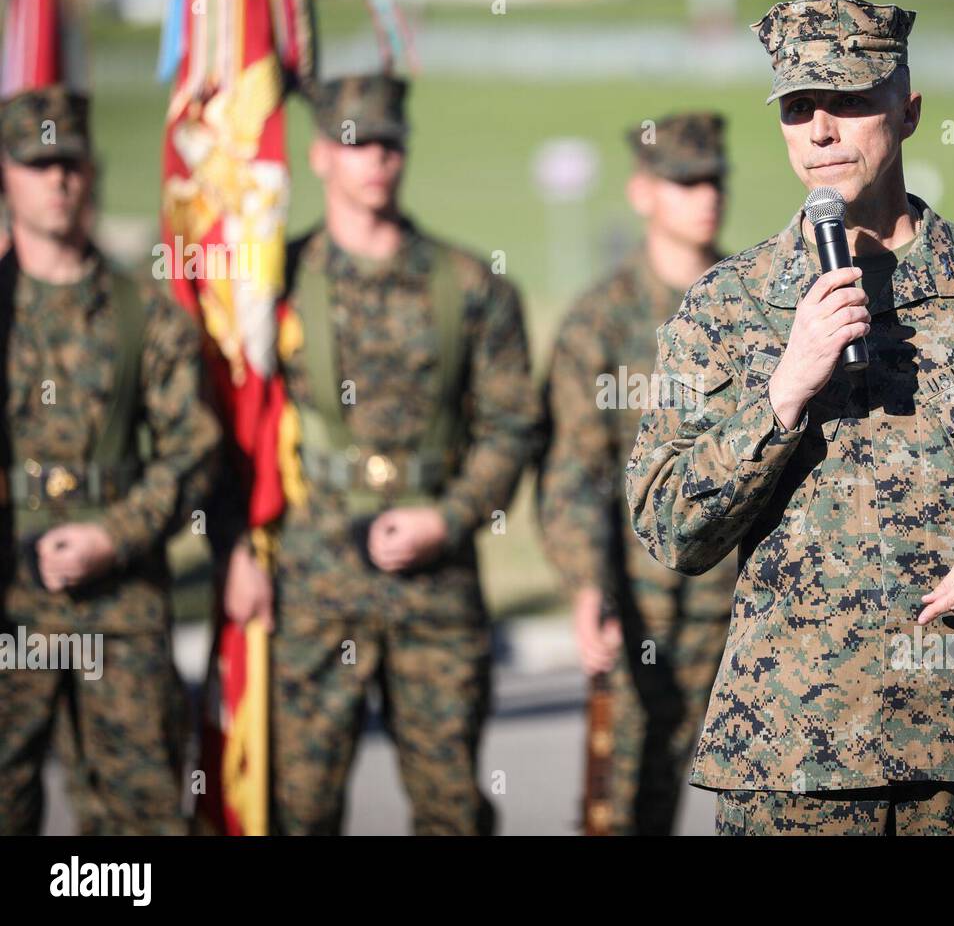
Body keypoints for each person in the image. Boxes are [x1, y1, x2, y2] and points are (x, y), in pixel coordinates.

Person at [626, 0, 954, 836]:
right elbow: (670, 524)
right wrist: (781, 393)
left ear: (908, 111)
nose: (821, 129)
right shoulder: (725, 309)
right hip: (792, 765)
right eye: (798, 108)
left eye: (850, 99)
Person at [222, 73, 540, 834]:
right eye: (354, 143)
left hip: (436, 576)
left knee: (451, 807)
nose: (375, 160)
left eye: (390, 144)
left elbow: (510, 427)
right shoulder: (276, 285)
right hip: (311, 572)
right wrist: (238, 545)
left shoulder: (471, 286)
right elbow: (239, 423)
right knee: (298, 805)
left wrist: (451, 517)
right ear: (320, 155)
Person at [0, 85, 220, 834]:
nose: (56, 180)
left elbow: (193, 449)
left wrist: (114, 535)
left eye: (69, 162)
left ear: (91, 172)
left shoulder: (145, 312)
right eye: (37, 163)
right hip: (9, 597)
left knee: (141, 820)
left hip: (120, 603)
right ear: (6, 174)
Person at [538, 112, 735, 834]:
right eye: (685, 181)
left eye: (715, 178)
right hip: (639, 607)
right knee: (622, 813)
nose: (706, 195)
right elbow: (574, 469)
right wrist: (587, 584)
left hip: (744, 605)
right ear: (643, 193)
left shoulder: (753, 305)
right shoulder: (601, 320)